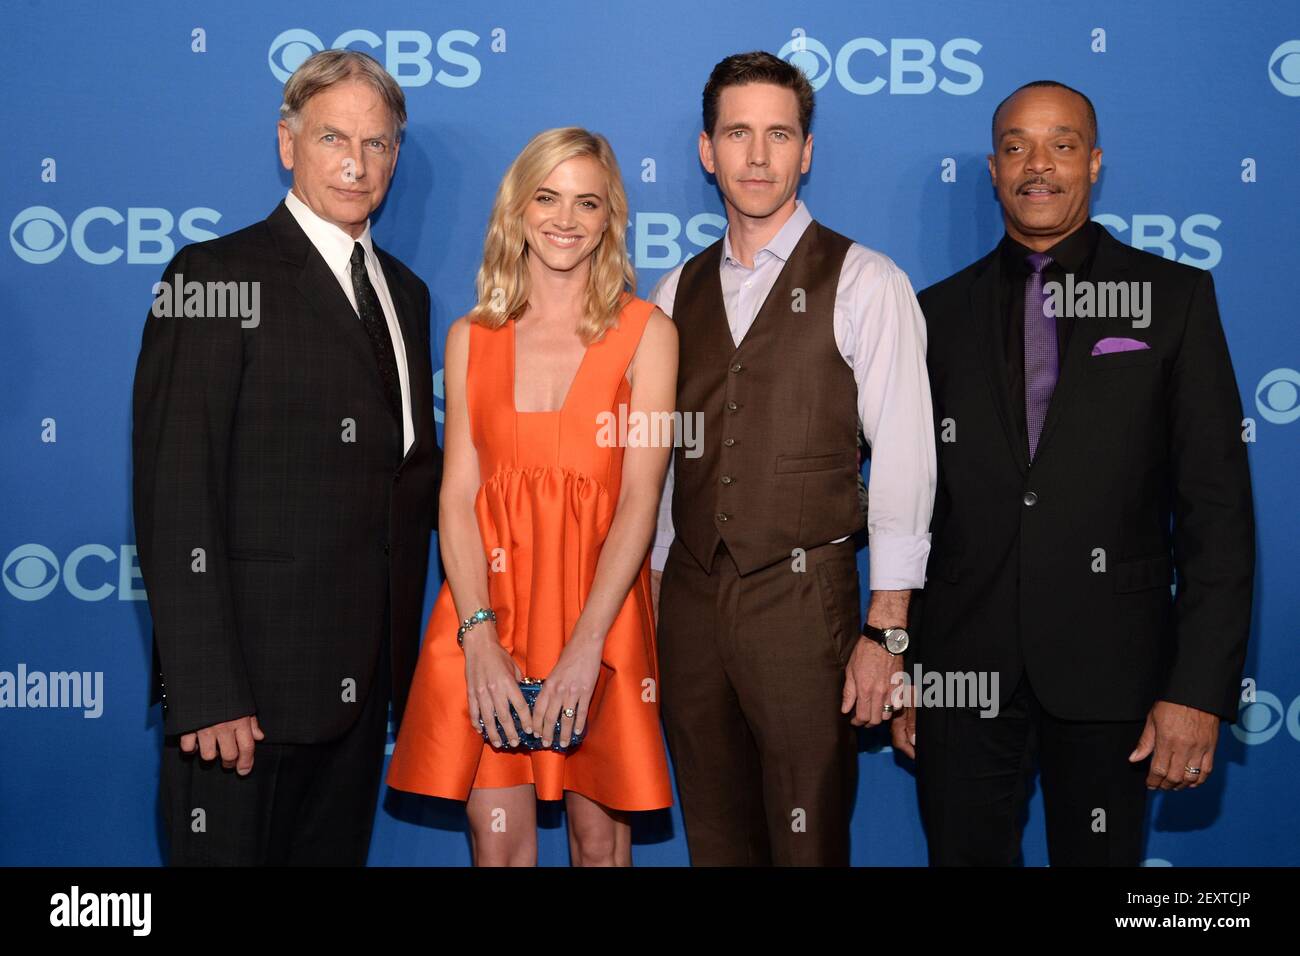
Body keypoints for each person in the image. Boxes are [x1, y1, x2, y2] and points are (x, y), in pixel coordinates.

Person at [899, 81, 1255, 865]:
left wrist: (1196, 690)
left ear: (1093, 162)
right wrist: (907, 666)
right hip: (961, 670)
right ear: (993, 168)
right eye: (1016, 147)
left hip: (1116, 670)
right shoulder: (932, 314)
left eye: (1061, 145)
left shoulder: (1173, 300)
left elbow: (1217, 514)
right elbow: (914, 508)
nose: (1038, 165)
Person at [132, 49, 441, 865]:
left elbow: (404, 486)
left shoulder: (407, 295)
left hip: (360, 697)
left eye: (377, 143)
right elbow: (175, 495)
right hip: (241, 708)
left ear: (396, 156)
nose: (356, 163)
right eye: (334, 137)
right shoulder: (213, 276)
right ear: (287, 142)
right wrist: (204, 691)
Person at [648, 51, 936, 866]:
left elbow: (907, 461)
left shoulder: (867, 281)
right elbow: (666, 468)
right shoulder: (673, 292)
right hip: (690, 606)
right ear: (707, 150)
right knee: (715, 840)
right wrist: (658, 599)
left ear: (806, 151)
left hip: (805, 606)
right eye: (737, 133)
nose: (757, 155)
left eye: (779, 134)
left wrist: (888, 631)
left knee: (808, 843)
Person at [386, 127, 677, 866]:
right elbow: (458, 495)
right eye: (547, 197)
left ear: (610, 218)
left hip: (601, 615)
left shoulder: (648, 334)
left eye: (588, 202)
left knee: (599, 844)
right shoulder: (469, 337)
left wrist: (587, 646)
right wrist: (478, 637)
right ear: (517, 208)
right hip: (487, 610)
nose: (565, 219)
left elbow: (639, 501)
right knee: (500, 845)